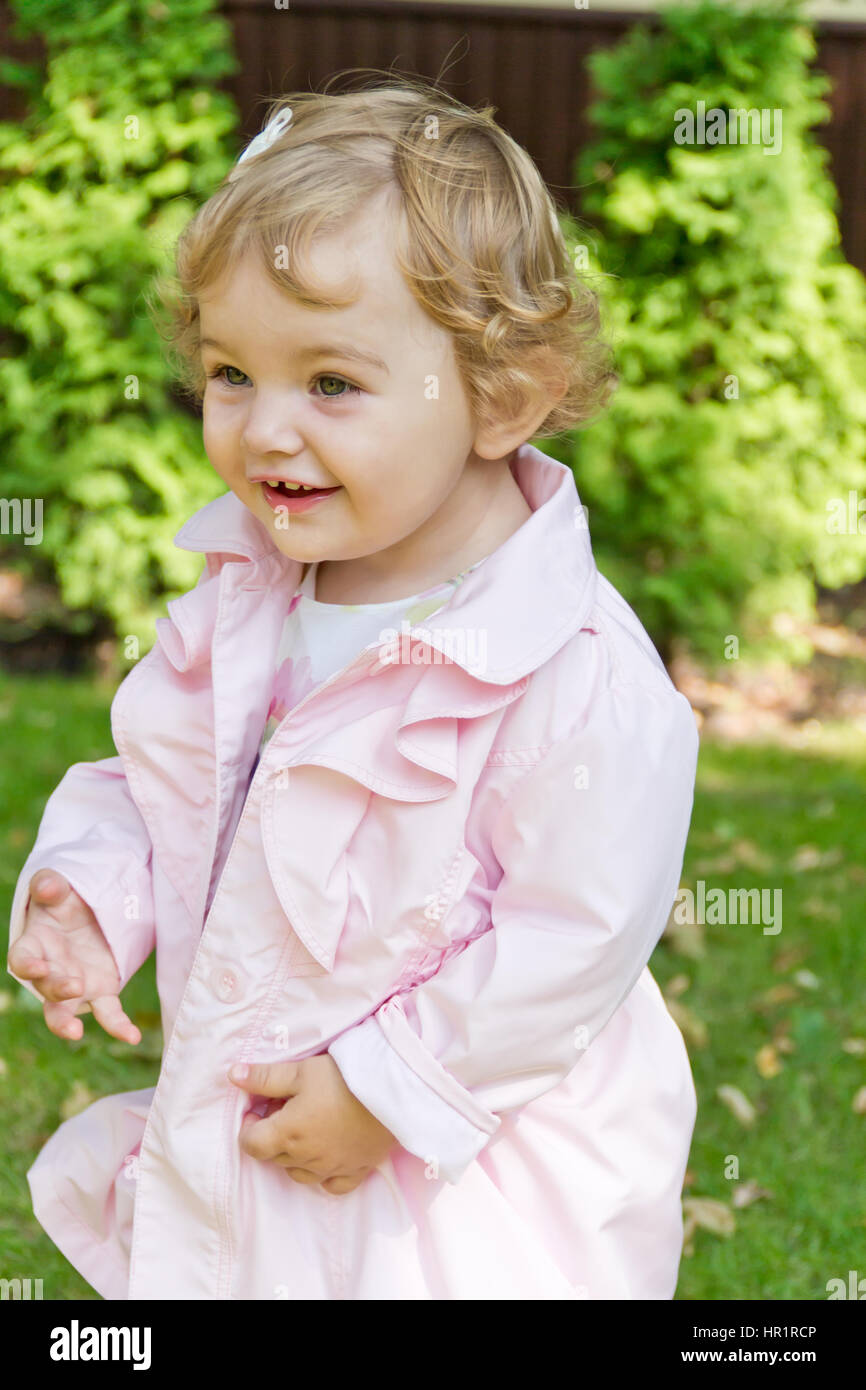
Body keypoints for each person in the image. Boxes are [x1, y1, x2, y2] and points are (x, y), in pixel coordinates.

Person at [6, 73, 699, 1300]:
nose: (266, 429)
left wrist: (387, 1090)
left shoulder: (568, 669)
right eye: (231, 374)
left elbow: (572, 934)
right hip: (271, 1112)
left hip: (461, 1175)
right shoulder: (251, 593)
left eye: (330, 384)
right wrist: (97, 896)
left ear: (500, 396)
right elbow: (159, 771)